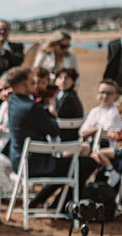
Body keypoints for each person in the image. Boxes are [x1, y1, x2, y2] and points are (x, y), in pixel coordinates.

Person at [6, 68, 95, 208]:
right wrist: (50, 109)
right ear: (22, 86)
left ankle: (43, 202)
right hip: (36, 164)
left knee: (69, 168)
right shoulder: (31, 107)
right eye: (32, 82)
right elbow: (54, 130)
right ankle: (61, 204)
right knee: (88, 163)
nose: (35, 85)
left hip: (19, 161)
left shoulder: (13, 101)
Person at [90, 94, 122, 186]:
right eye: (120, 112)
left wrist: (114, 136)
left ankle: (112, 172)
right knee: (97, 155)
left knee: (101, 153)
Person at [78, 79, 122, 147]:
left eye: (109, 93)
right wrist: (96, 129)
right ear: (97, 94)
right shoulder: (94, 111)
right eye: (102, 92)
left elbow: (104, 132)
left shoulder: (117, 111)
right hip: (91, 145)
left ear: (116, 96)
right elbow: (82, 132)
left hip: (108, 147)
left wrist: (93, 130)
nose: (105, 96)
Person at [51, 68, 84, 141]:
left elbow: (57, 115)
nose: (63, 81)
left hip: (66, 137)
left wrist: (51, 106)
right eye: (60, 77)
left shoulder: (69, 97)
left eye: (67, 78)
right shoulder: (60, 94)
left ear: (73, 81)